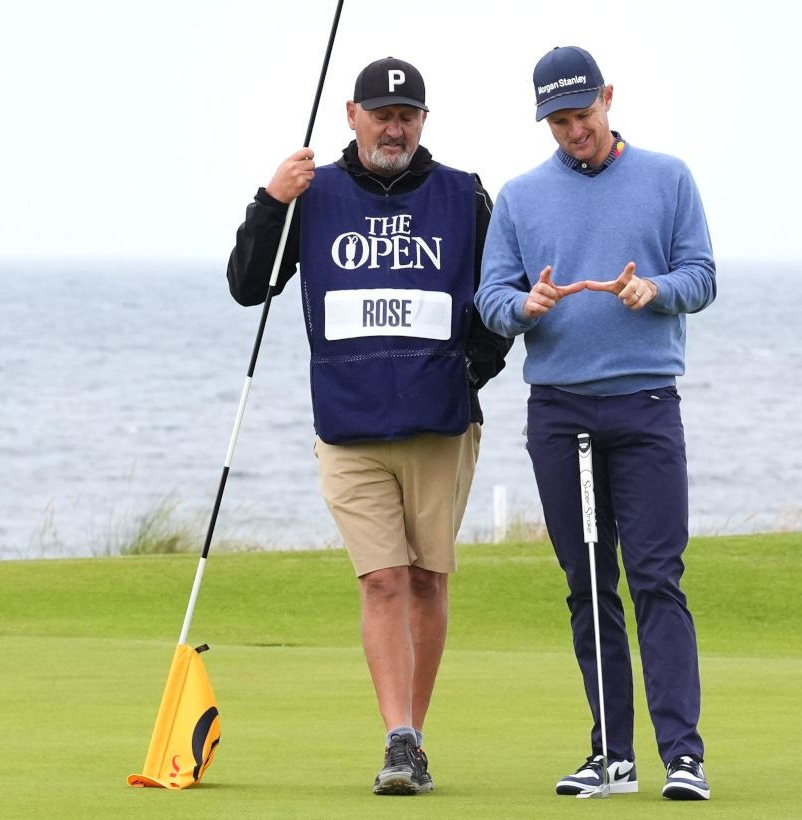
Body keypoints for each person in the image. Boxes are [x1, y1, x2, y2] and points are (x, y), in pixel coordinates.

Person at [227, 56, 511, 796]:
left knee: (425, 580)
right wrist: (269, 200)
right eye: (382, 114)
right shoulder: (311, 194)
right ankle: (400, 738)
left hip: (440, 427)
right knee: (382, 579)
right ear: (351, 115)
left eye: (408, 114)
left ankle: (410, 739)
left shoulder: (464, 196)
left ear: (424, 121)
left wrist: (467, 372)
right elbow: (248, 286)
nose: (395, 126)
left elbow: (500, 302)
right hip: (348, 427)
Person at [474, 45, 717, 801]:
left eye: (582, 114)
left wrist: (656, 292)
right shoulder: (519, 197)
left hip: (645, 407)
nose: (572, 130)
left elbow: (702, 276)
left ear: (609, 98)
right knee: (587, 583)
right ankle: (612, 754)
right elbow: (491, 298)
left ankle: (683, 754)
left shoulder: (668, 178)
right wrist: (525, 307)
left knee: (656, 579)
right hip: (561, 414)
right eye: (557, 120)